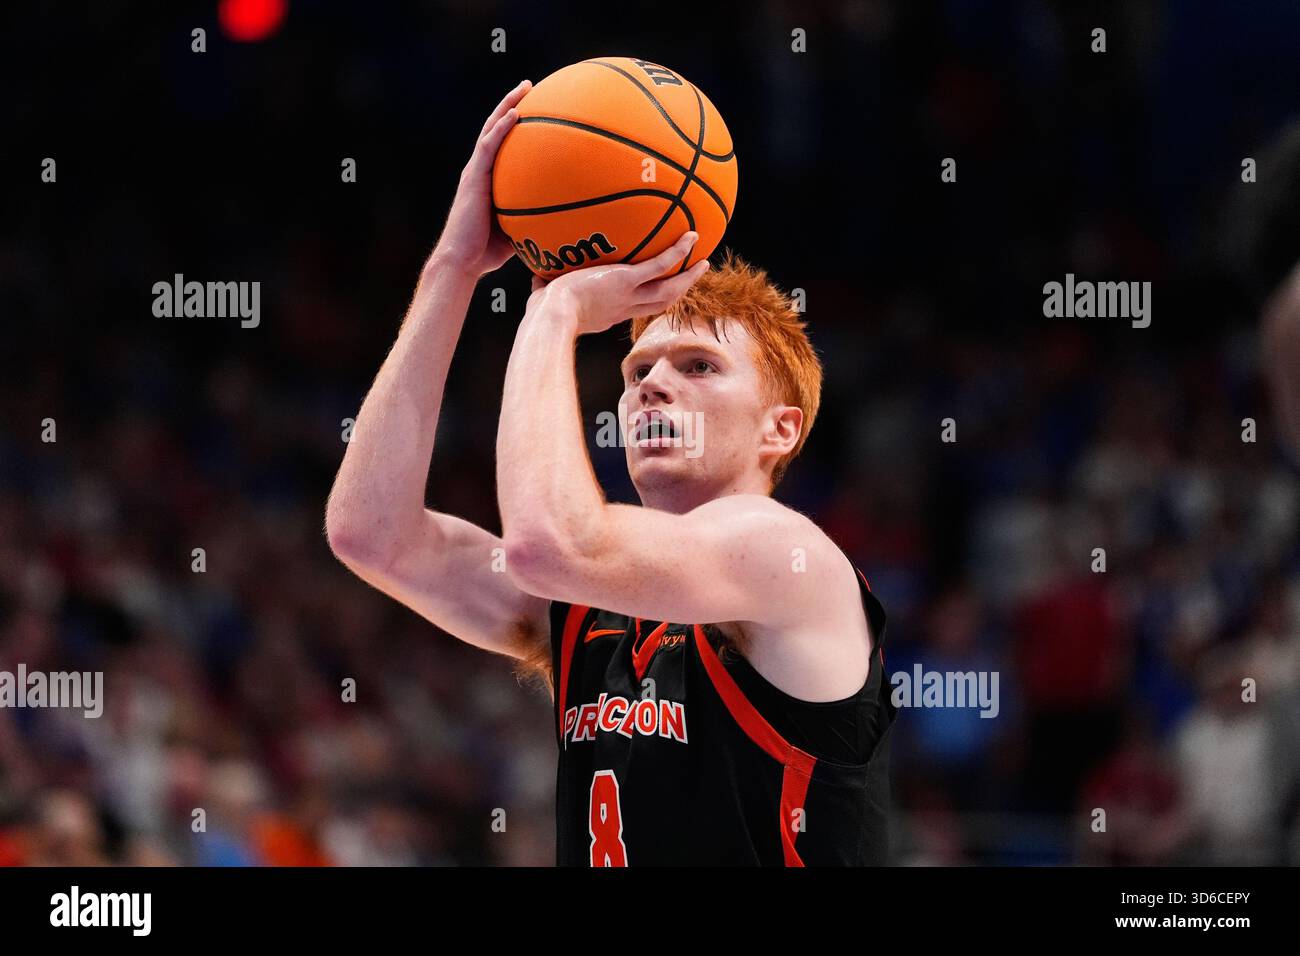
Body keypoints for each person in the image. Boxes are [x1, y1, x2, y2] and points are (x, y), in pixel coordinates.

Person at [325, 81, 897, 866]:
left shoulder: (785, 559)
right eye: (637, 370)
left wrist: (552, 313)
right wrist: (454, 270)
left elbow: (549, 545)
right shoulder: (590, 608)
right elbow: (370, 533)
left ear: (780, 428)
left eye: (700, 365)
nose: (654, 384)